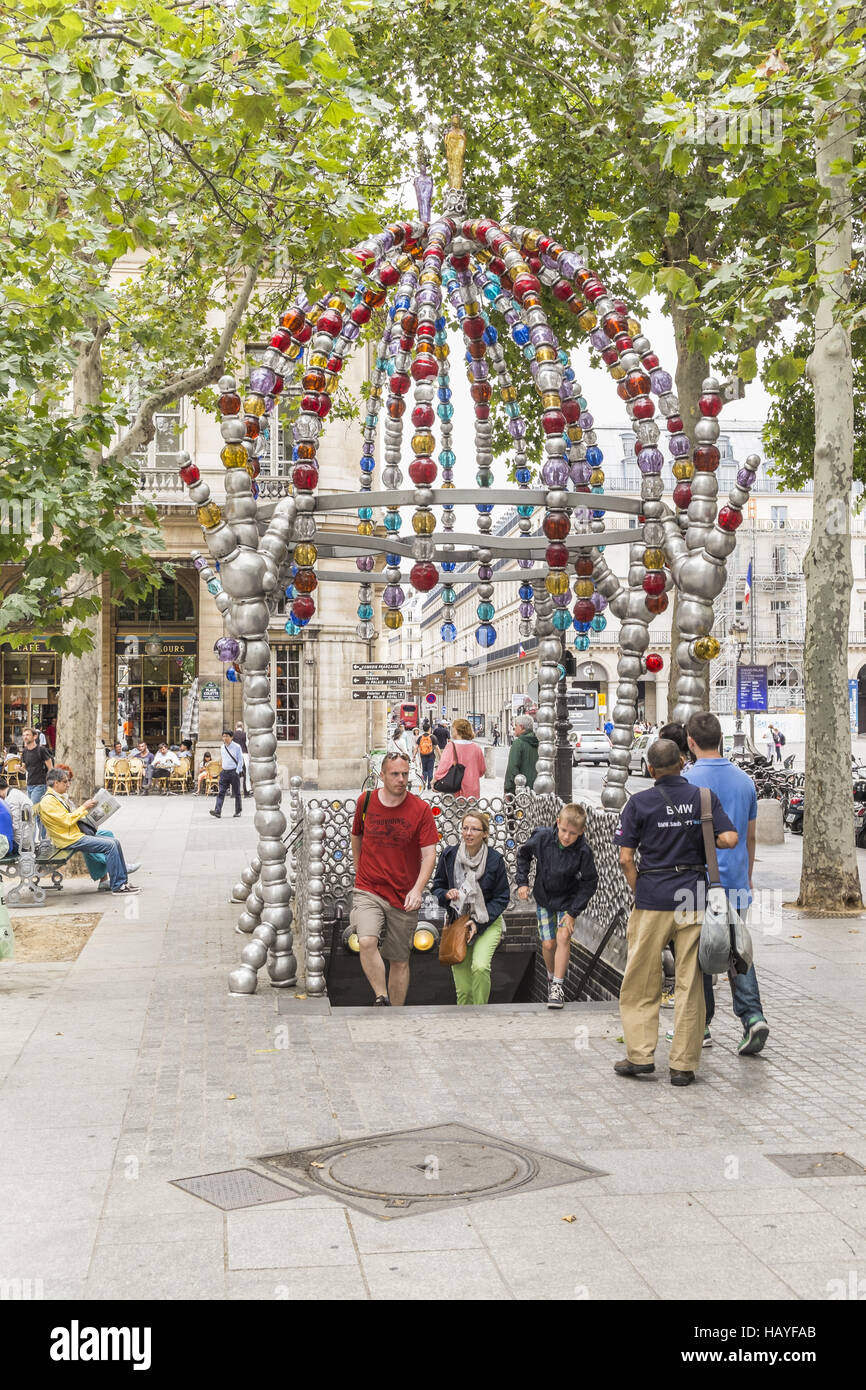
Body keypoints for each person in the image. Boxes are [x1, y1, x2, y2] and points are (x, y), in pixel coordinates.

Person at [613, 737, 737, 1087]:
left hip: (652, 897)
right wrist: (703, 835)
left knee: (640, 980)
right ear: (683, 762)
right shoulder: (703, 799)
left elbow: (625, 857)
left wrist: (640, 889)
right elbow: (730, 839)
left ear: (650, 768)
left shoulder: (638, 803)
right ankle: (683, 1065)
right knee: (691, 982)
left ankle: (639, 1056)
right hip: (694, 898)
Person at [682, 711, 770, 1057]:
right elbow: (749, 837)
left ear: (690, 743)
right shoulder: (745, 781)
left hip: (695, 882)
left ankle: (701, 1024)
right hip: (734, 882)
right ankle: (752, 1018)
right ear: (720, 739)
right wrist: (746, 876)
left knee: (697, 952)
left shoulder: (687, 780)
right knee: (736, 952)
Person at [350, 750, 438, 1006]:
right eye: (395, 774)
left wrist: (417, 890)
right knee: (366, 941)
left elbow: (430, 854)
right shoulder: (365, 802)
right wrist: (359, 871)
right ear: (382, 776)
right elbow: (357, 836)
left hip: (403, 894)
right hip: (369, 888)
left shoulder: (420, 809)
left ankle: (395, 1014)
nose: (401, 779)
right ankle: (381, 996)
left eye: (405, 774)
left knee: (399, 960)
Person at [516, 803, 599, 1008]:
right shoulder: (543, 838)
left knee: (563, 937)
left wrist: (573, 912)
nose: (566, 837)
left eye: (572, 833)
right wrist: (522, 882)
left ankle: (558, 987)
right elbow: (523, 854)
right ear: (557, 823)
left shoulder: (583, 852)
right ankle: (550, 977)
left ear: (581, 832)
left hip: (568, 900)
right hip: (544, 897)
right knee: (548, 944)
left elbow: (590, 882)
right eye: (563, 831)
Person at [431, 810, 510, 1006]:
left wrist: (478, 923)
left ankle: (480, 1015)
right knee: (464, 990)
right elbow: (437, 886)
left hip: (486, 922)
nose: (468, 833)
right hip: (458, 923)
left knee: (480, 967)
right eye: (465, 828)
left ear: (485, 833)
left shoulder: (494, 860)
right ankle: (465, 1027)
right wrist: (445, 894)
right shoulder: (450, 855)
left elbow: (502, 898)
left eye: (474, 829)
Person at [38, 769, 140, 895]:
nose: (68, 784)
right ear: (56, 783)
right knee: (110, 845)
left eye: (69, 781)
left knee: (115, 842)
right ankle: (118, 886)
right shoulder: (48, 801)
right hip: (68, 839)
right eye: (65, 782)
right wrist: (84, 807)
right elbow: (66, 820)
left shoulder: (57, 797)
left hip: (73, 834)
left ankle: (122, 882)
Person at [433, 717, 486, 799]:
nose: (451, 731)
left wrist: (435, 779)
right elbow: (482, 770)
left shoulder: (451, 746)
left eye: (453, 728)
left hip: (453, 789)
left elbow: (443, 766)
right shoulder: (476, 748)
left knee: (451, 811)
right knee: (471, 811)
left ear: (457, 731)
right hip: (472, 791)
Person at [210, 730, 245, 818]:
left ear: (231, 737)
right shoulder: (222, 747)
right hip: (224, 772)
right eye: (223, 736)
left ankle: (238, 811)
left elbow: (240, 760)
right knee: (221, 792)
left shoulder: (237, 747)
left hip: (234, 772)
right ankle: (217, 811)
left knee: (237, 793)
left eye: (226, 736)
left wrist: (237, 771)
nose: (224, 738)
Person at [504, 714, 539, 794]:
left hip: (521, 790)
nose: (514, 728)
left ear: (522, 727)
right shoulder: (538, 742)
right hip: (536, 789)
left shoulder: (518, 743)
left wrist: (508, 789)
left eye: (516, 726)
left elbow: (512, 768)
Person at [20, 726, 53, 808]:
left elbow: (50, 768)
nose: (25, 737)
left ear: (35, 736)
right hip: (29, 784)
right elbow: (24, 770)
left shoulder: (41, 750)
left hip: (40, 784)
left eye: (27, 735)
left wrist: (49, 784)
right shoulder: (24, 751)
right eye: (24, 735)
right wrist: (19, 768)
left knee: (34, 810)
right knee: (34, 810)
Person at [0, 775, 33, 850]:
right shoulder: (15, 792)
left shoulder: (11, 799)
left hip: (20, 842)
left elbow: (14, 825)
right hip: (27, 837)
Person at [234, 721, 252, 795]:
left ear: (236, 727)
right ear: (242, 727)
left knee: (235, 773)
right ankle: (246, 791)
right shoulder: (245, 734)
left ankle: (234, 792)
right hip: (244, 754)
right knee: (246, 774)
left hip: (236, 756)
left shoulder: (233, 735)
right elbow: (247, 744)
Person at [417, 721, 436, 790]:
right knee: (430, 770)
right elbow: (437, 748)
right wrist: (440, 756)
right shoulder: (432, 737)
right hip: (431, 755)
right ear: (429, 729)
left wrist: (413, 756)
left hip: (423, 755)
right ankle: (429, 785)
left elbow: (416, 747)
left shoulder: (420, 737)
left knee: (424, 770)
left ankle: (424, 783)